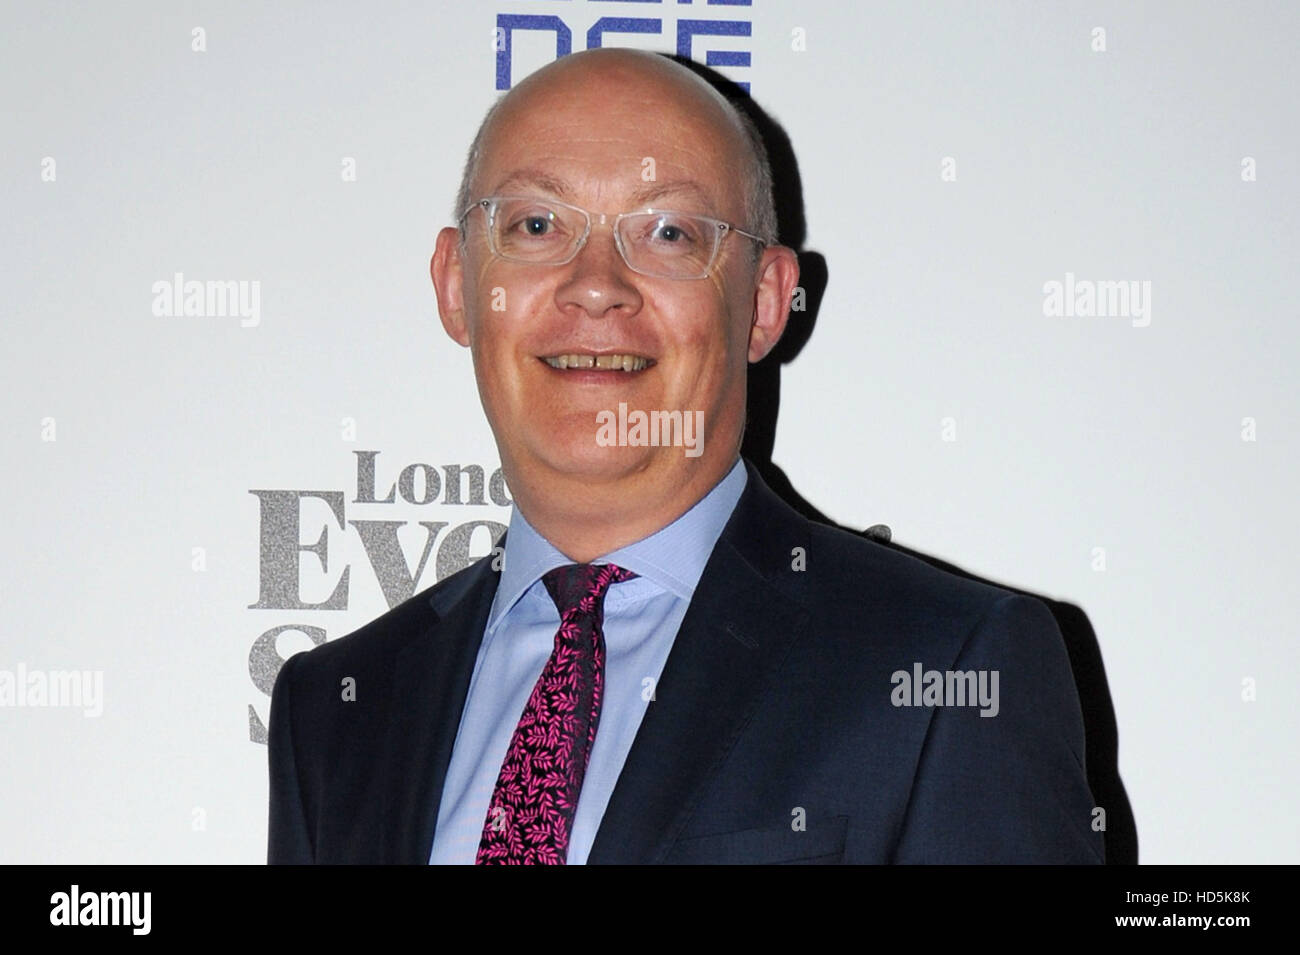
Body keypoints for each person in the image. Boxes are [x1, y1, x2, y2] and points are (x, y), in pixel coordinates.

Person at [267, 48, 1104, 864]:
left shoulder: (948, 668)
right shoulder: (338, 709)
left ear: (766, 302)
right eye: (535, 224)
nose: (596, 283)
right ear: (456, 285)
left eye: (668, 232)